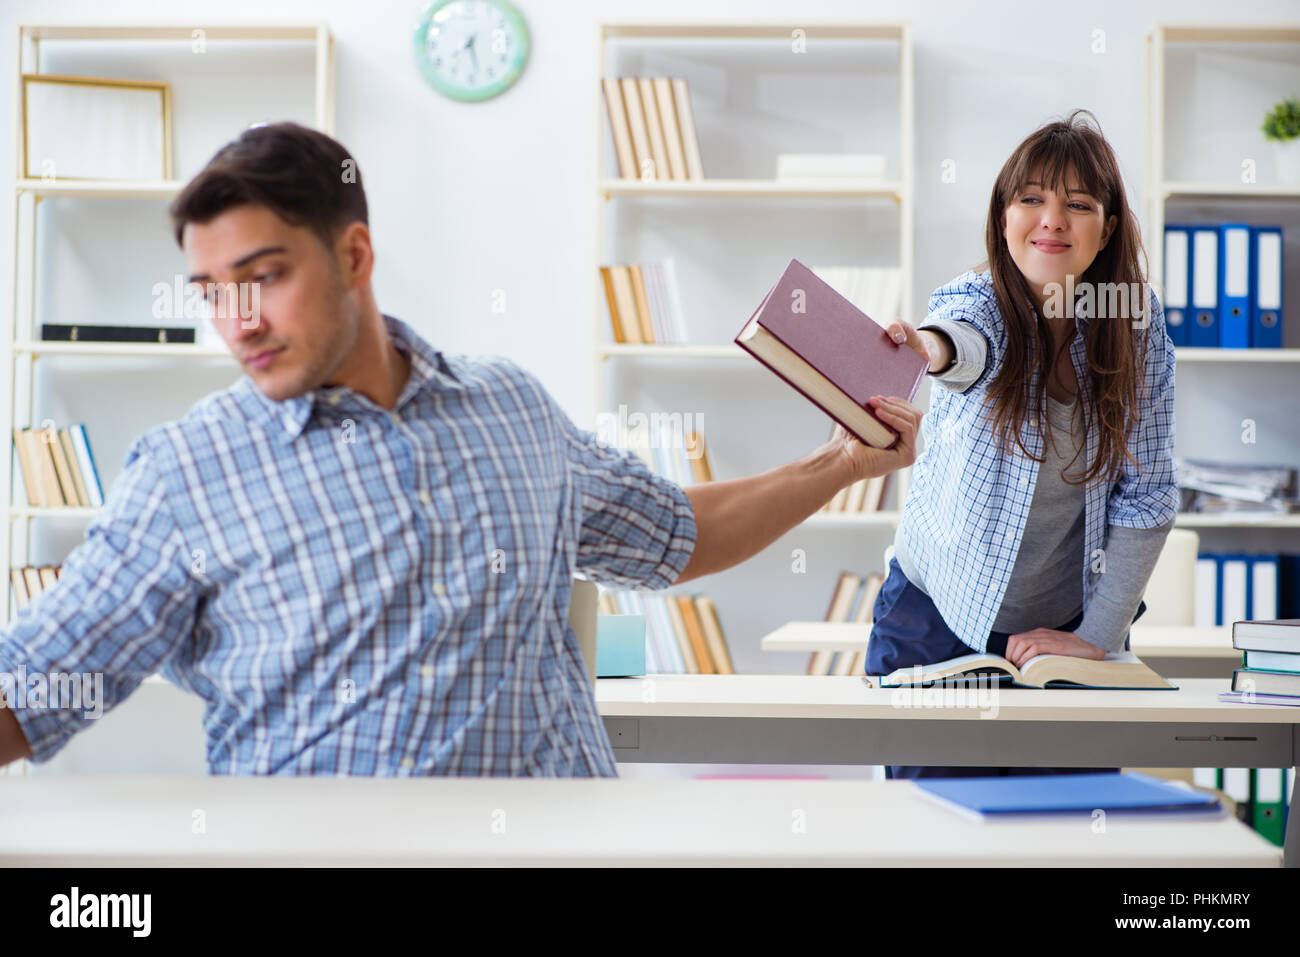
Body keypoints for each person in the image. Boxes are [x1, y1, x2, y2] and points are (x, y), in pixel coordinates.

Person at [0, 122, 921, 776]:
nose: (235, 321)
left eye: (264, 277)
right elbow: (36, 686)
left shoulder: (508, 404)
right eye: (209, 289)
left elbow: (675, 535)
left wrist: (841, 462)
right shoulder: (185, 474)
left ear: (354, 255)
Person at [869, 110, 1177, 778]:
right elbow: (963, 342)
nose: (1051, 219)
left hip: (1067, 628)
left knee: (1065, 830)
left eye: (1078, 204)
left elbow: (1147, 497)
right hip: (935, 617)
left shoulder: (1137, 326)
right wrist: (928, 348)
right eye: (1031, 198)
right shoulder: (976, 298)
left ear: (1109, 228)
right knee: (931, 828)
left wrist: (1094, 638)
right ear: (1003, 216)